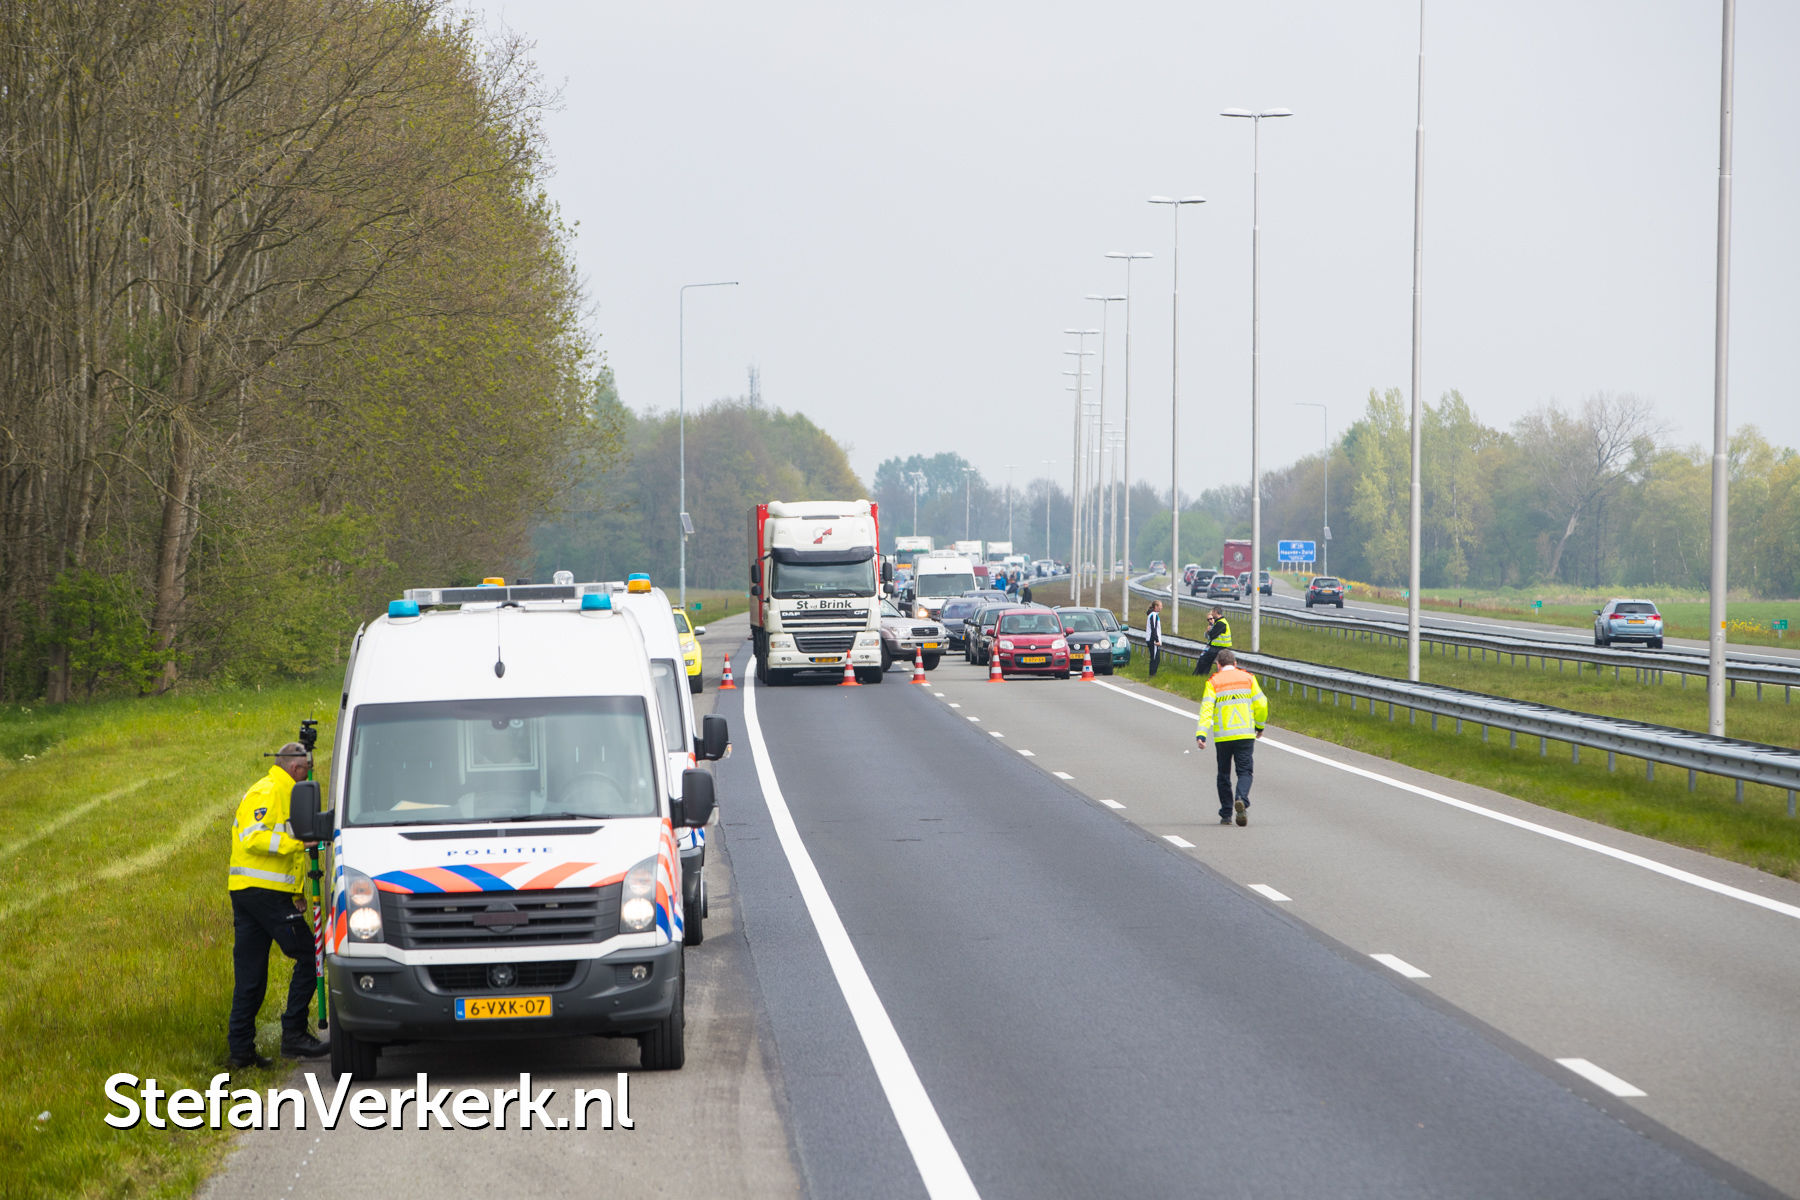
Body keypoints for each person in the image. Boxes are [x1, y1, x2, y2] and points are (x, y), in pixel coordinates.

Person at [227, 741, 330, 1067]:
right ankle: (294, 1034)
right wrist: (297, 842)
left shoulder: (284, 792)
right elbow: (254, 838)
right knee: (312, 952)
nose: (308, 778)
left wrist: (297, 892)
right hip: (260, 893)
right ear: (296, 769)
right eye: (307, 772)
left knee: (251, 974)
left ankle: (240, 1052)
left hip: (262, 894)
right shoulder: (269, 791)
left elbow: (286, 857)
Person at [1194, 650, 1268, 826]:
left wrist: (1201, 733)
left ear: (1218, 665)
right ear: (1235, 663)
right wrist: (1259, 725)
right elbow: (1262, 703)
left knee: (1223, 774)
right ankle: (1241, 797)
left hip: (1223, 736)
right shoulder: (1248, 678)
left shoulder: (1213, 682)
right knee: (1244, 771)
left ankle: (1226, 814)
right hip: (1244, 734)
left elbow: (1206, 710)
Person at [1192, 606, 1233, 676]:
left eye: (1213, 612)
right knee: (1204, 660)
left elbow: (1212, 635)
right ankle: (1200, 675)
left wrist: (1209, 631)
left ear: (1215, 612)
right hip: (1216, 647)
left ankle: (1199, 675)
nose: (1212, 615)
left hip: (1218, 648)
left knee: (1204, 660)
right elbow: (1209, 636)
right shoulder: (1218, 622)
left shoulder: (1221, 623)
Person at [1145, 599, 1163, 677]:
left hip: (1152, 639)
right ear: (1156, 606)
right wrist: (1157, 640)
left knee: (1156, 658)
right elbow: (1154, 628)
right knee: (1155, 658)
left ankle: (1152, 674)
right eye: (1160, 606)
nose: (1161, 607)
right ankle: (1152, 675)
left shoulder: (1153, 615)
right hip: (1153, 640)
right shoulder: (1154, 615)